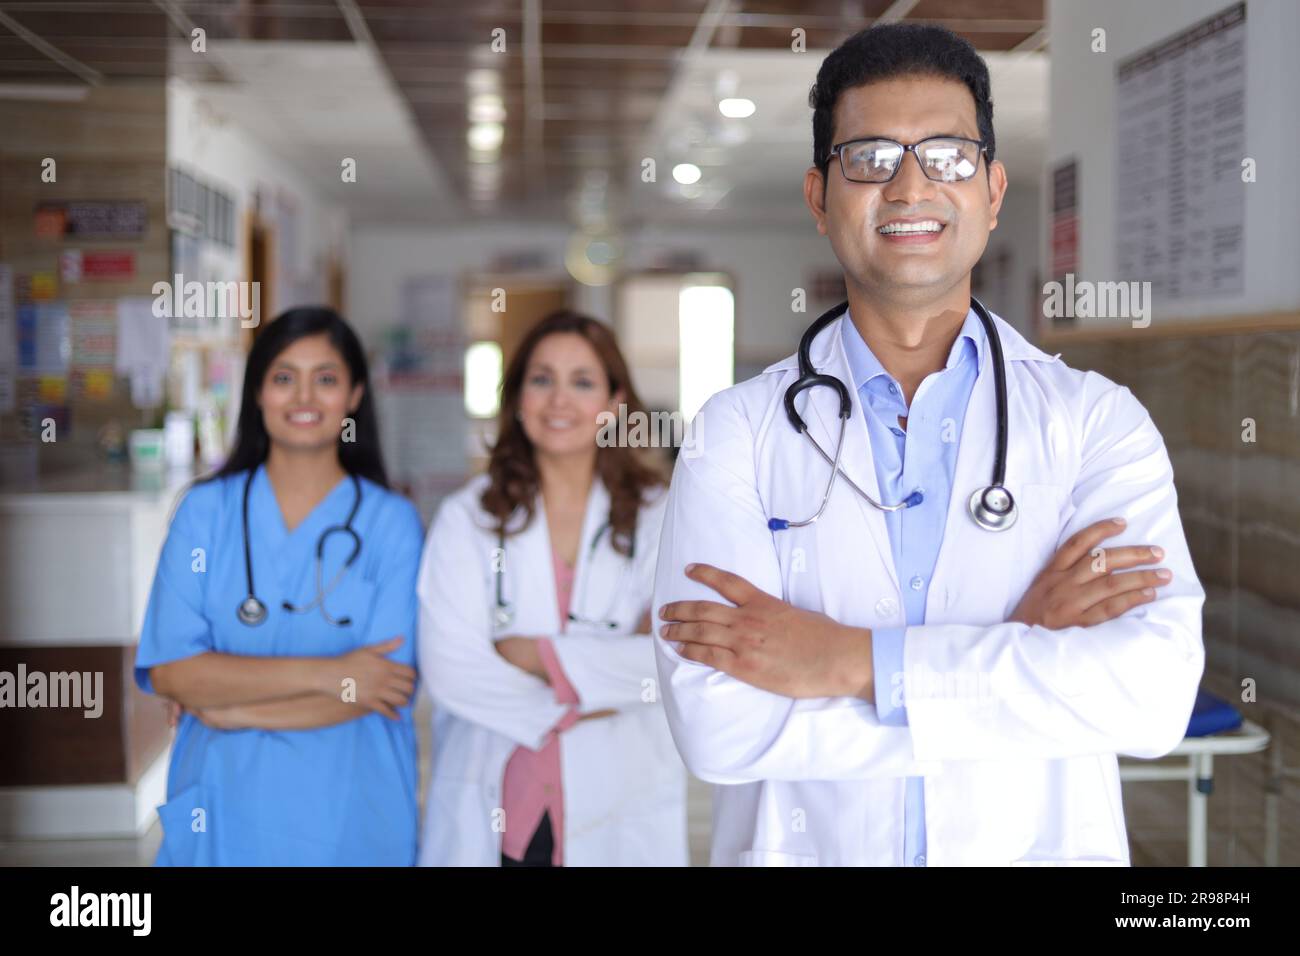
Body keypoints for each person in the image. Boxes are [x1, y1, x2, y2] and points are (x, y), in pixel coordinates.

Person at [652, 23, 1205, 866]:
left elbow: (1152, 697)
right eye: (869, 158)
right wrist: (1013, 652)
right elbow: (718, 730)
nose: (909, 187)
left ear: (991, 188)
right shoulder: (736, 433)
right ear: (818, 194)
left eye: (946, 155)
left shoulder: (1097, 423)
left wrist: (847, 661)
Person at [136, 306, 421, 866]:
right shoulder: (204, 513)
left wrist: (232, 707)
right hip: (224, 808)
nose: (304, 398)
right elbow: (173, 672)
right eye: (284, 377)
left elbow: (382, 690)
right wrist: (332, 673)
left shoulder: (392, 523)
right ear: (258, 393)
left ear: (355, 396)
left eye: (327, 379)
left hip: (351, 812)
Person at [417, 310, 688, 866]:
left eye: (582, 382)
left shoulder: (663, 515)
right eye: (541, 379)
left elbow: (673, 662)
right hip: (497, 805)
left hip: (620, 804)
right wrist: (593, 686)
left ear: (615, 406)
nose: (559, 400)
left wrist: (534, 655)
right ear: (518, 398)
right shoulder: (467, 517)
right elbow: (450, 668)